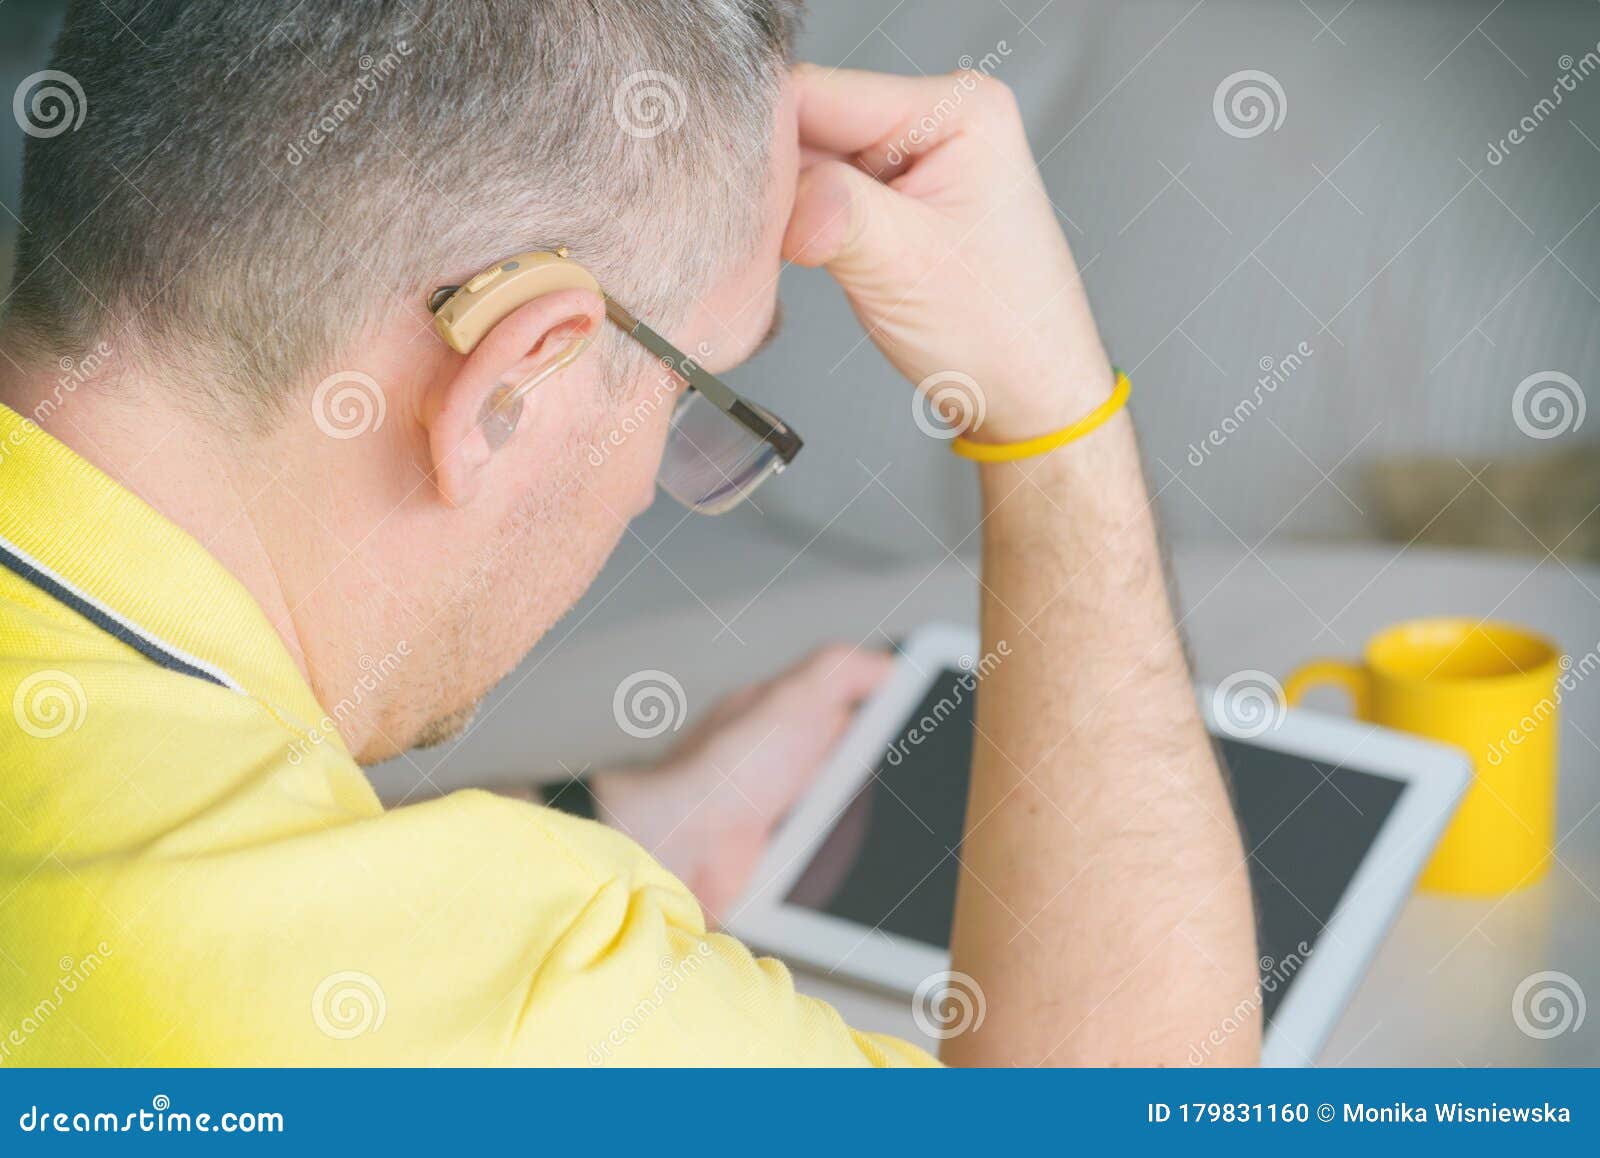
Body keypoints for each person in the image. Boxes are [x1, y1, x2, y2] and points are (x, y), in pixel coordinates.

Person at [0, 0, 1257, 1066]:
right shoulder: (502, 1017)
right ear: (513, 382)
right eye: (687, 394)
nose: (659, 477)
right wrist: (1051, 421)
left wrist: (614, 818)